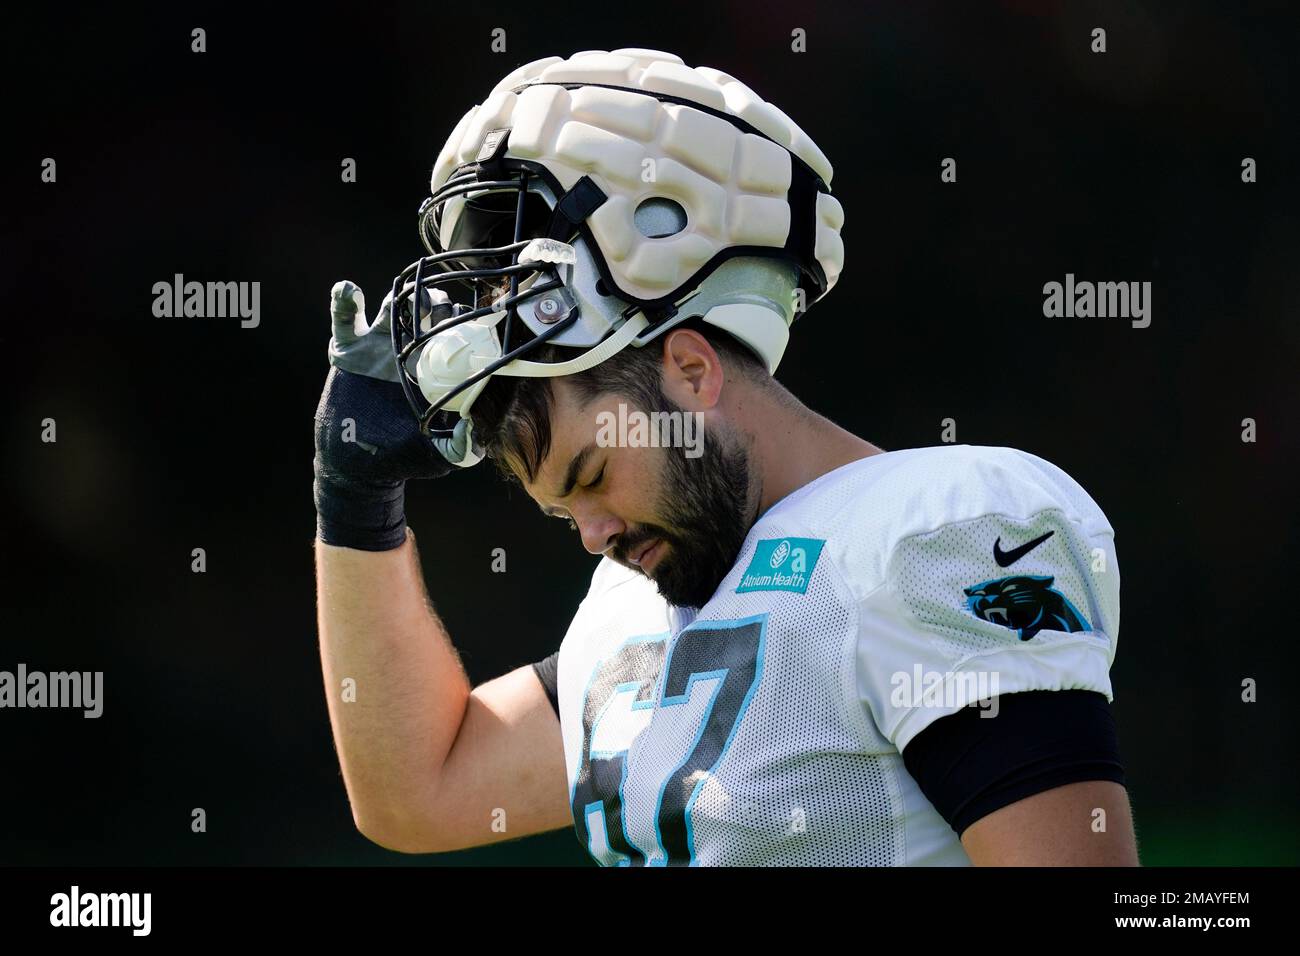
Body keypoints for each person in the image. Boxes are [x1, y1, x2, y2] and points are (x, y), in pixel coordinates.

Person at [312, 48, 1137, 865]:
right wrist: (354, 499)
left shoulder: (929, 533)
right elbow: (418, 795)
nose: (593, 535)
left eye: (593, 475)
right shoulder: (628, 614)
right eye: (562, 510)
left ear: (694, 371)